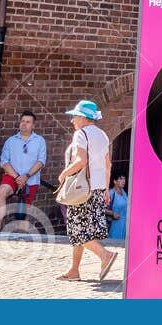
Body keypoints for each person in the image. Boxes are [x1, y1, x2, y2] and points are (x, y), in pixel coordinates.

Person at [57, 100, 119, 283]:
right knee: (82, 230)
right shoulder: (102, 135)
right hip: (98, 189)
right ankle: (74, 270)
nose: (72, 120)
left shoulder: (80, 134)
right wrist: (106, 189)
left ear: (84, 118)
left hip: (82, 189)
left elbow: (81, 161)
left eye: (75, 116)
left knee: (77, 231)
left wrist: (64, 173)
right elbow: (108, 165)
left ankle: (105, 255)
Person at [0, 110, 47, 230]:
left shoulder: (40, 141)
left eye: (28, 122)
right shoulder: (11, 141)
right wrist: (17, 177)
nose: (24, 124)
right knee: (1, 192)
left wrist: (26, 176)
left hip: (30, 178)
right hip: (12, 176)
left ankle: (20, 235)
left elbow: (41, 161)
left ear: (33, 125)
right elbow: (4, 161)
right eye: (22, 121)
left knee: (24, 210)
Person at [106, 174, 129, 244]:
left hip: (124, 225)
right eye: (121, 179)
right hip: (115, 225)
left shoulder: (124, 192)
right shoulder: (110, 193)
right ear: (115, 181)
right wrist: (112, 213)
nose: (123, 181)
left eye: (124, 179)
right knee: (114, 245)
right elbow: (101, 209)